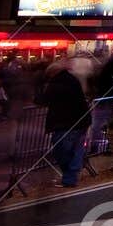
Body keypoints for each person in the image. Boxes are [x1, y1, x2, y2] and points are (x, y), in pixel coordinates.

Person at [41, 59, 90, 188]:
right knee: (76, 150)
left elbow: (44, 99)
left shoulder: (56, 83)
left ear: (52, 74)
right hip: (80, 120)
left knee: (62, 151)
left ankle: (69, 178)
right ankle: (72, 176)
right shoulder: (73, 80)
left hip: (65, 123)